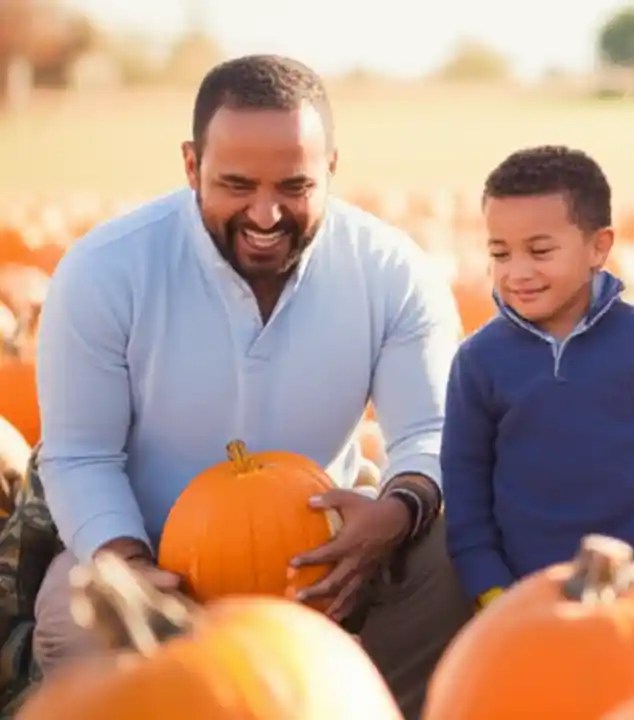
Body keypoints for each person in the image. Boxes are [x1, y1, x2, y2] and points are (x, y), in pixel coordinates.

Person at [32, 54, 473, 718]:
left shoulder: (392, 271)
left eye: (293, 187)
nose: (265, 214)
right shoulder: (105, 270)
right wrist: (125, 560)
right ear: (190, 165)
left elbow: (430, 432)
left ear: (330, 169)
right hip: (152, 556)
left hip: (334, 560)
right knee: (75, 619)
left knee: (454, 548)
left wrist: (396, 511)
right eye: (236, 184)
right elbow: (80, 454)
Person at [441, 145, 634, 609]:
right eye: (500, 253)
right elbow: (464, 478)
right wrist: (486, 581)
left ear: (598, 248)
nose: (518, 272)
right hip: (524, 596)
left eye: (540, 251)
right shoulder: (479, 360)